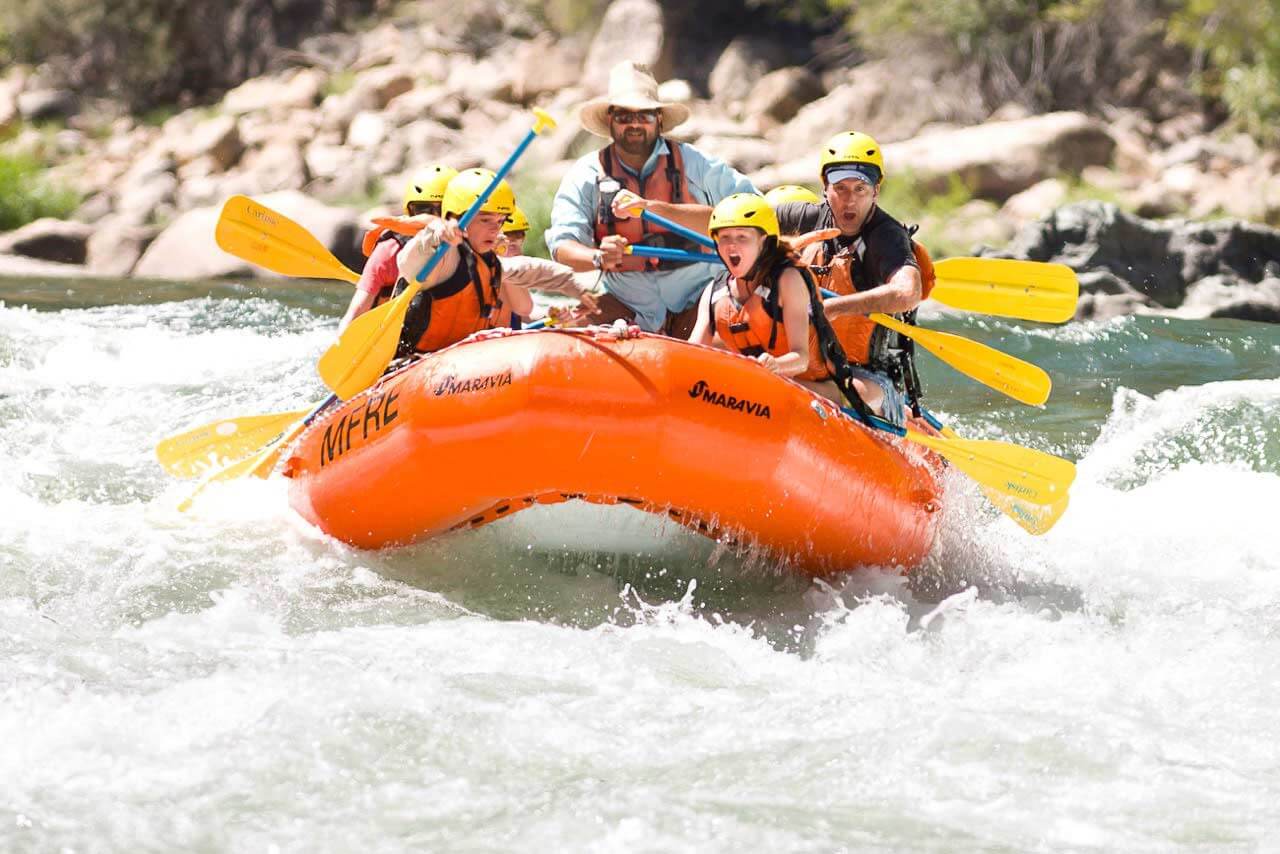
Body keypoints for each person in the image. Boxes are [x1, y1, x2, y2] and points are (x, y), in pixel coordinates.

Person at [546, 60, 756, 337]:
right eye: (624, 116)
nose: (634, 124)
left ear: (658, 119)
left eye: (644, 115)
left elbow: (752, 212)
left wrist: (654, 209)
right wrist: (598, 258)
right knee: (572, 330)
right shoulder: (585, 175)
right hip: (627, 300)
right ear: (610, 120)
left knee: (738, 322)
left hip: (699, 295)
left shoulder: (697, 164)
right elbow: (563, 246)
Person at [772, 130, 934, 425]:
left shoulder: (886, 237)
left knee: (857, 389)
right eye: (841, 188)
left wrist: (834, 308)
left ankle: (782, 392)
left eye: (860, 189)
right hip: (810, 366)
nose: (850, 201)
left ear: (876, 191)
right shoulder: (809, 217)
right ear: (825, 187)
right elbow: (735, 219)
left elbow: (908, 291)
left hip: (869, 380)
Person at [392, 168, 533, 355]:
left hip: (466, 364)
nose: (495, 229)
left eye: (500, 221)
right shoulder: (443, 252)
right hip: (414, 363)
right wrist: (433, 234)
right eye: (485, 220)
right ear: (455, 217)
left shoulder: (491, 262)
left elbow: (524, 307)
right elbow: (408, 265)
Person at [338, 164, 457, 332]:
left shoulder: (476, 250)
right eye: (423, 209)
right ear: (409, 211)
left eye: (444, 211)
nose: (432, 217)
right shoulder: (389, 251)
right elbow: (354, 315)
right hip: (397, 339)